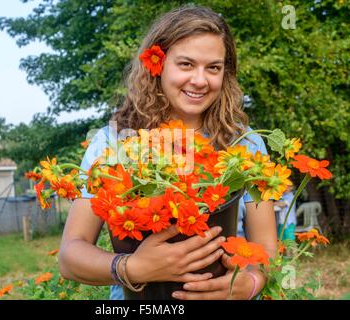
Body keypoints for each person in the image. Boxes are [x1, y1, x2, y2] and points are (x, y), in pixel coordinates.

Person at [59, 5, 277, 300]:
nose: (200, 80)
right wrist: (133, 267)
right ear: (157, 64)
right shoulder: (114, 141)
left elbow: (266, 248)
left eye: (213, 67)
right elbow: (70, 256)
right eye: (186, 64)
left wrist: (250, 282)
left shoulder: (246, 145)